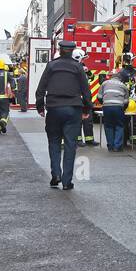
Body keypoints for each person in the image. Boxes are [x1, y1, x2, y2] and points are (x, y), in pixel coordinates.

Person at [35, 40, 94, 190]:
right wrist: (87, 109)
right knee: (70, 145)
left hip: (54, 108)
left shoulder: (51, 65)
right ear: (73, 51)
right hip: (73, 109)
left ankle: (56, 174)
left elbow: (41, 88)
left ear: (60, 50)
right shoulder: (78, 67)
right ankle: (67, 181)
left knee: (54, 141)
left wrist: (40, 107)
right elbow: (86, 91)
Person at [100, 70, 130, 152]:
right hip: (118, 107)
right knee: (119, 126)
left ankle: (110, 146)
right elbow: (126, 101)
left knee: (108, 126)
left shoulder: (104, 83)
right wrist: (123, 108)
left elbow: (99, 97)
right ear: (120, 78)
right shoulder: (124, 86)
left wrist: (104, 103)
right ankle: (117, 147)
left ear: (111, 77)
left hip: (107, 107)